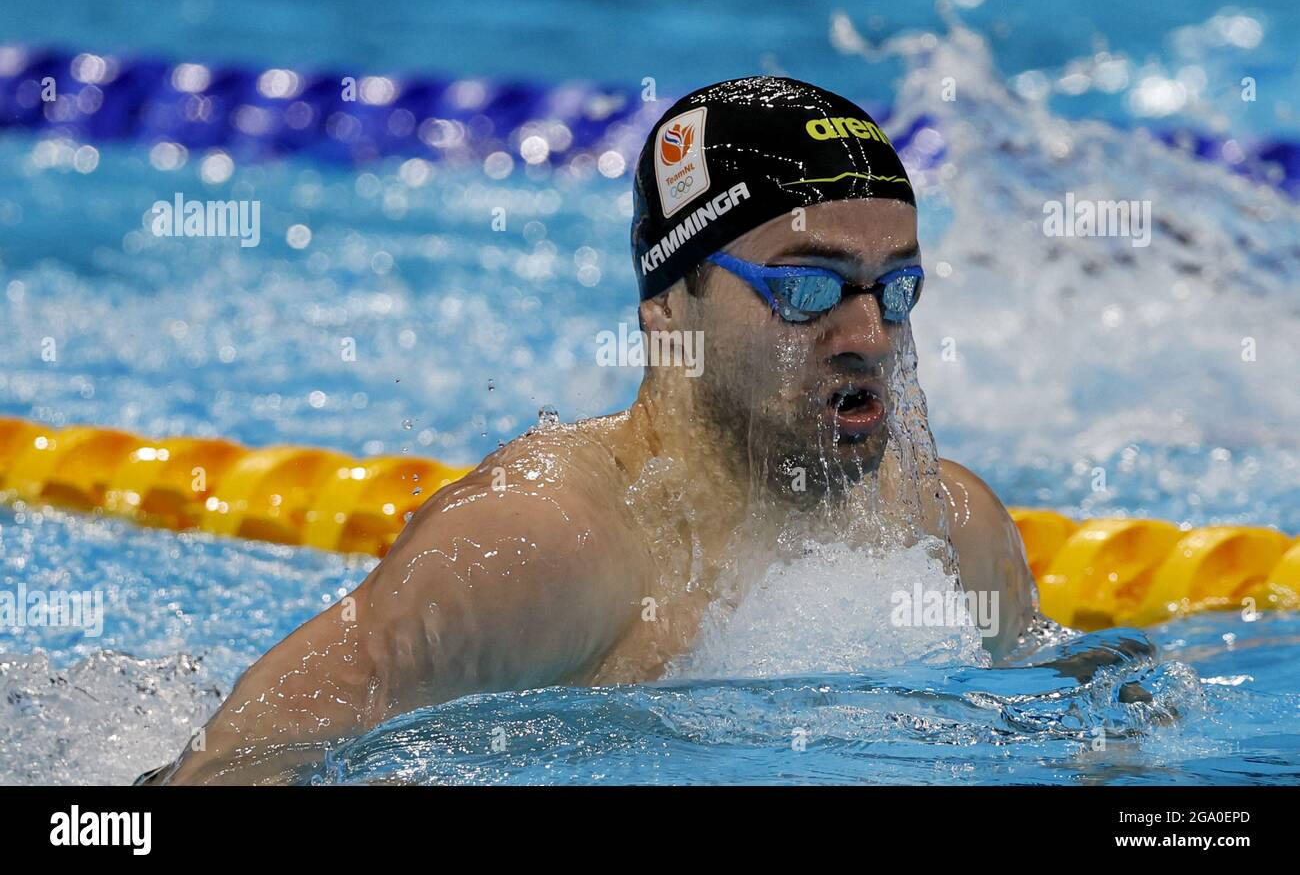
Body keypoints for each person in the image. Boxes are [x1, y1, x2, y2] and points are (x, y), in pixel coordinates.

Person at [155, 76, 1037, 784]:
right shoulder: (546, 543)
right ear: (668, 303)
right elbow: (236, 767)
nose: (868, 339)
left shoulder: (949, 532)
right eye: (806, 289)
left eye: (895, 290)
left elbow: (1072, 747)